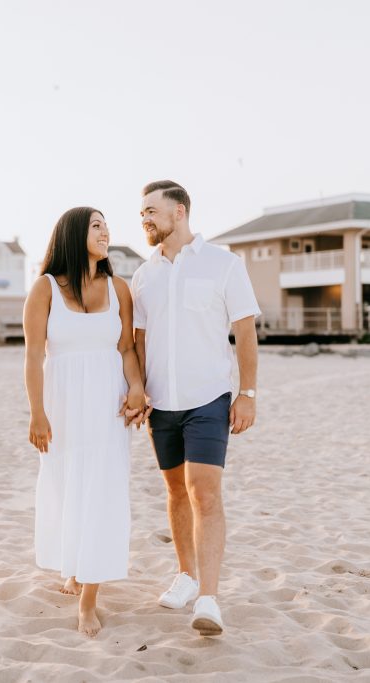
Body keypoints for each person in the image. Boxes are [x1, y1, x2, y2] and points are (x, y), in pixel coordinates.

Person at [130, 180, 261, 637]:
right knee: (175, 492)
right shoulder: (143, 274)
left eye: (151, 210)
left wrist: (248, 393)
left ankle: (208, 597)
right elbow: (139, 339)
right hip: (161, 402)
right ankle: (185, 576)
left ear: (179, 211)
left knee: (204, 491)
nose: (144, 218)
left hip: (209, 398)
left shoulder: (223, 263)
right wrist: (138, 390)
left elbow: (244, 330)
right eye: (141, 212)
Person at [23, 206, 146, 638]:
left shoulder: (119, 288)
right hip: (61, 406)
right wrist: (37, 413)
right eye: (96, 225)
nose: (106, 232)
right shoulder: (44, 289)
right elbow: (34, 356)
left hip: (106, 406)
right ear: (74, 234)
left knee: (102, 490)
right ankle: (73, 567)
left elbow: (128, 349)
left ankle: (88, 600)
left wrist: (136, 388)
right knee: (67, 485)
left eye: (107, 225)